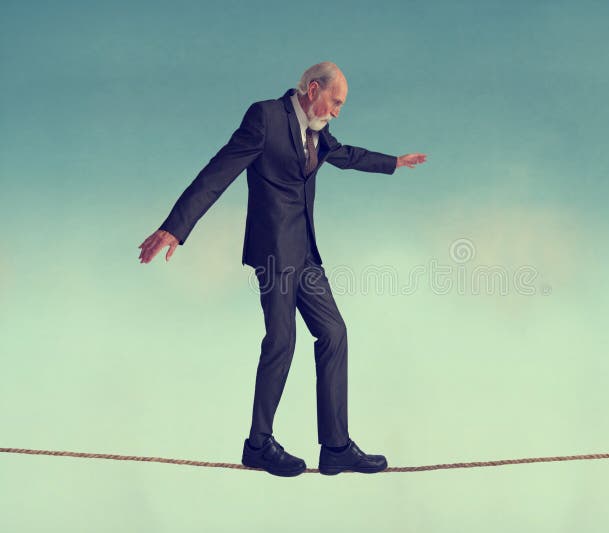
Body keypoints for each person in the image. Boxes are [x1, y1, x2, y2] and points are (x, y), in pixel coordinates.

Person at [137, 61, 426, 477]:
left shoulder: (318, 132)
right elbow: (217, 173)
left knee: (333, 333)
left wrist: (393, 162)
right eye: (336, 101)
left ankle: (336, 447)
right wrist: (175, 227)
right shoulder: (266, 117)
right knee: (281, 341)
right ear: (313, 89)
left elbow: (345, 155)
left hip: (305, 254)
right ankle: (259, 444)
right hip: (273, 253)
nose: (337, 111)